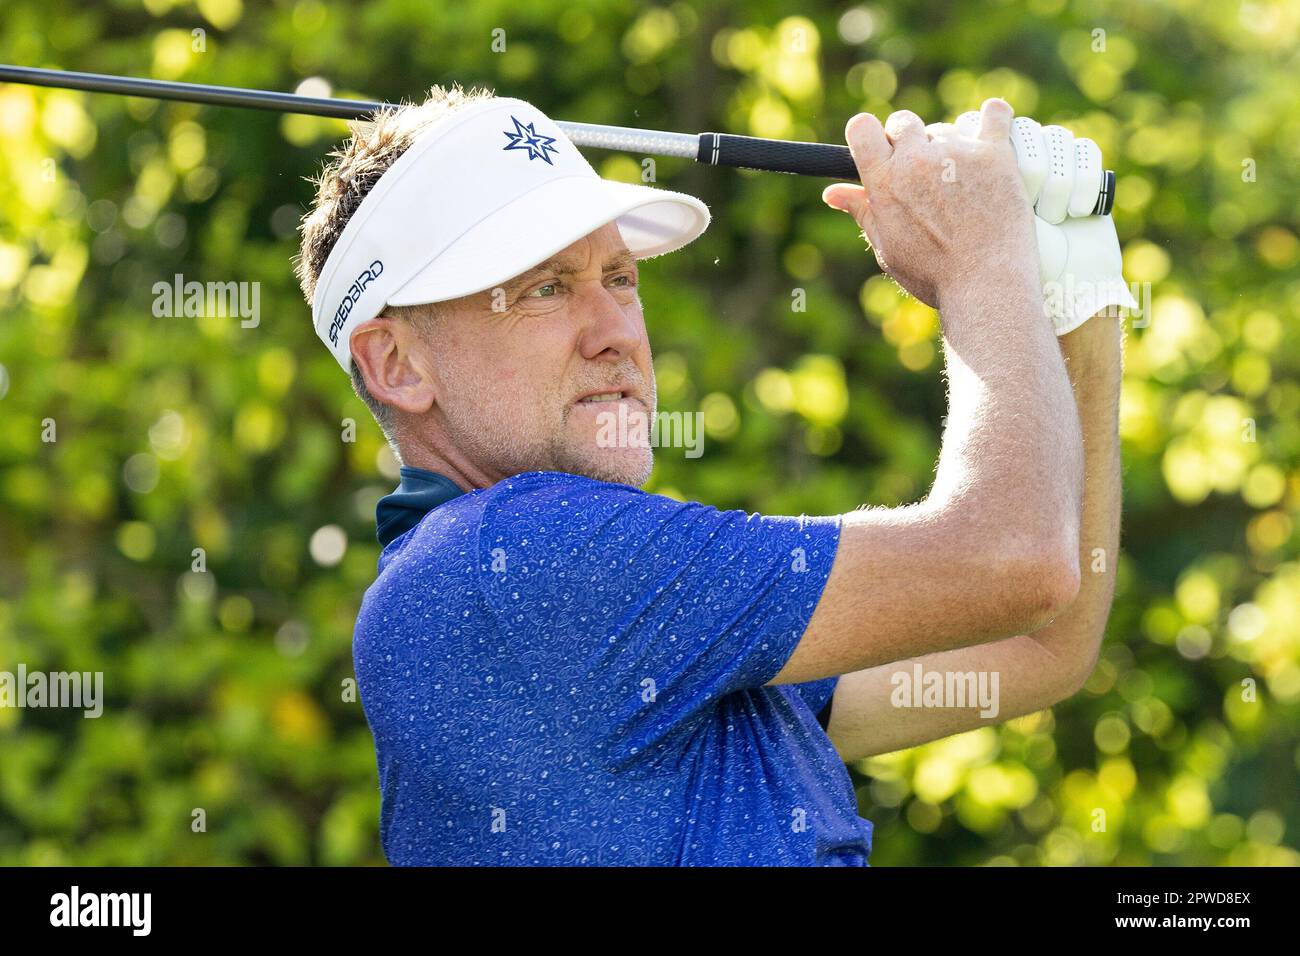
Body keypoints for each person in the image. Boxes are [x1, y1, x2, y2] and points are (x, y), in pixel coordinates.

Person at [294, 86, 1132, 865]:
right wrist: (982, 258)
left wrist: (1076, 296)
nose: (615, 331)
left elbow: (1036, 646)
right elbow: (1014, 558)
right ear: (396, 363)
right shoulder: (513, 560)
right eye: (546, 289)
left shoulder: (630, 633)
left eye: (619, 279)